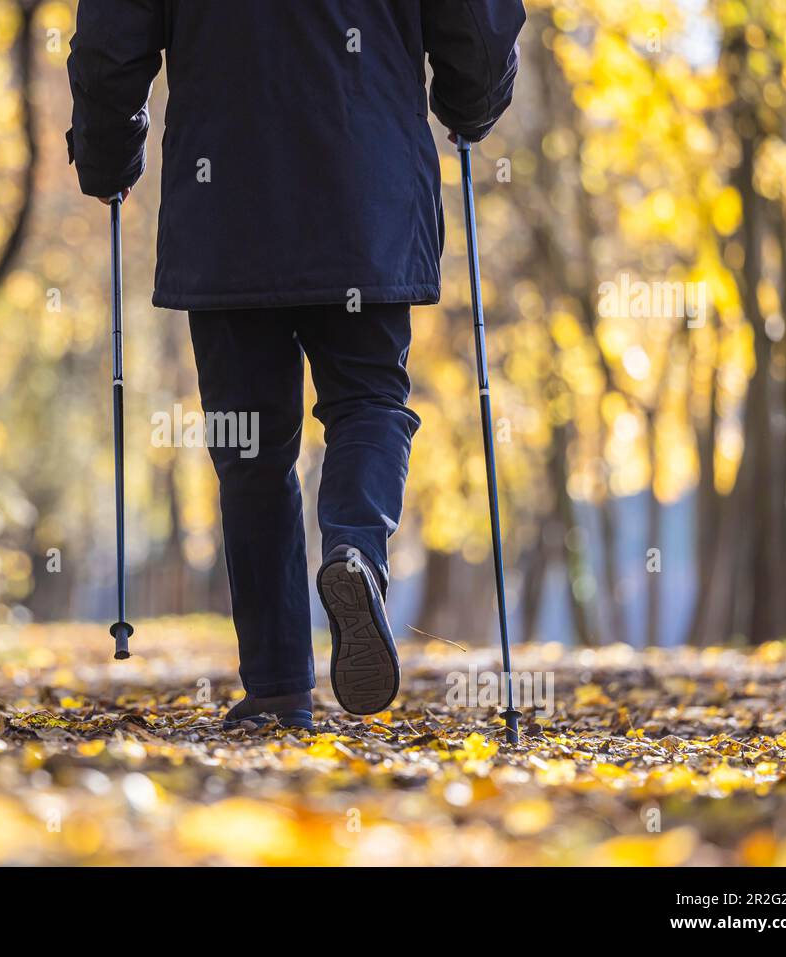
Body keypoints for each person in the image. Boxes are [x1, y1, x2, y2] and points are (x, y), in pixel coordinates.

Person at [67, 0, 525, 729]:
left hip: (225, 205)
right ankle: (355, 550)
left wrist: (106, 153)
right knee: (368, 400)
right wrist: (471, 102)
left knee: (251, 448)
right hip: (364, 190)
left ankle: (279, 690)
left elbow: (110, 43)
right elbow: (479, 19)